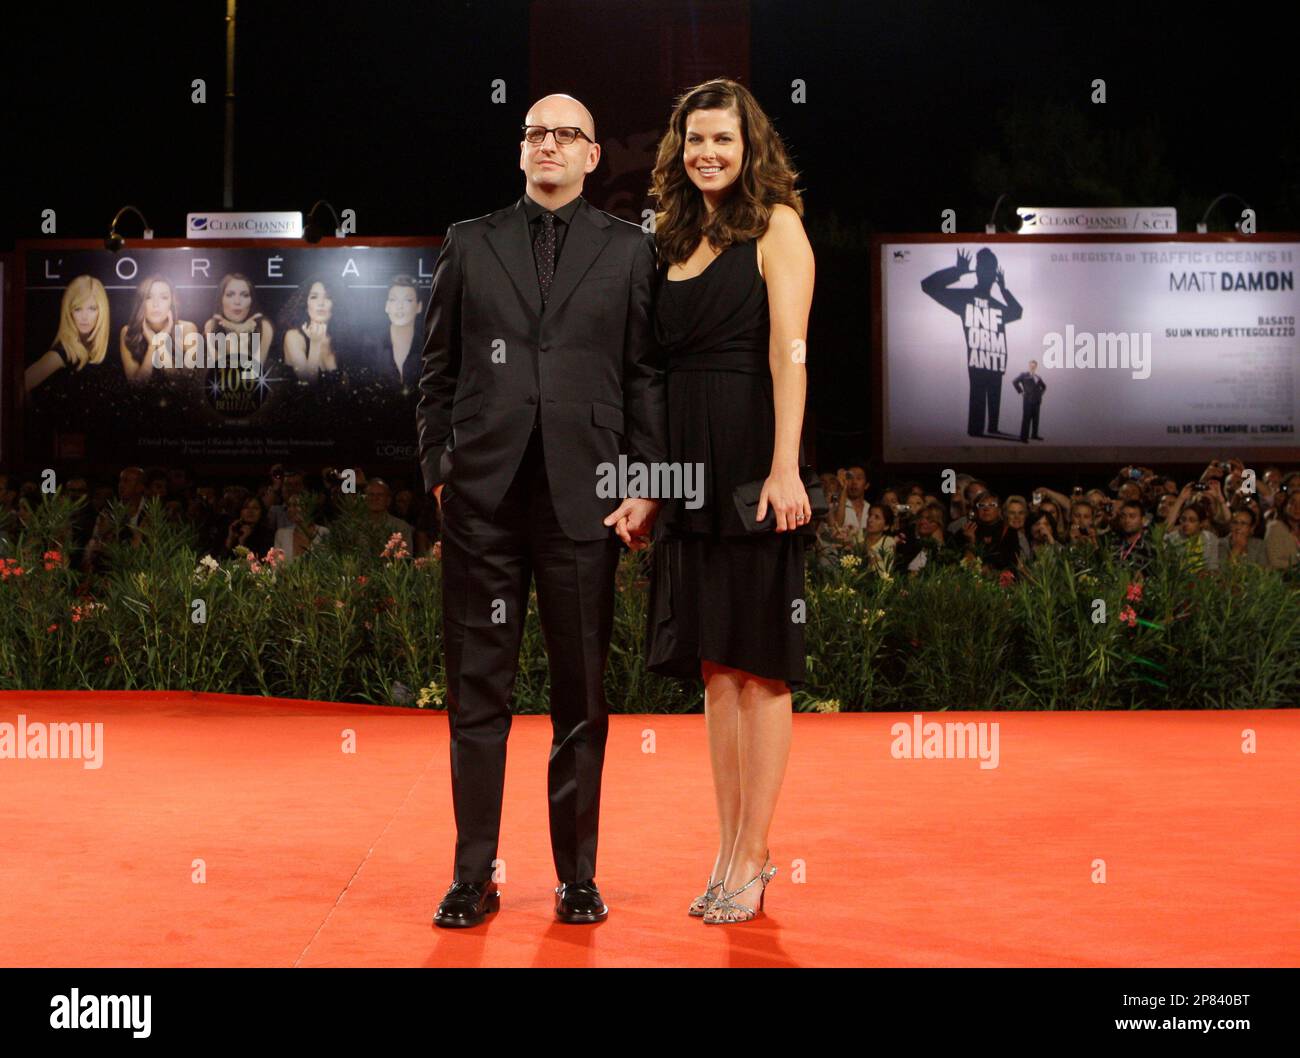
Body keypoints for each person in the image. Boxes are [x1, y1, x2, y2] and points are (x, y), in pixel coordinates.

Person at [417, 93, 668, 929]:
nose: (550, 145)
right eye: (537, 134)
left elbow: (643, 377)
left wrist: (646, 479)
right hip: (482, 500)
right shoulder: (469, 241)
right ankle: (472, 874)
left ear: (594, 156)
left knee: (581, 696)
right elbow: (436, 374)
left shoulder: (632, 251)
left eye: (567, 135)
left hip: (587, 497)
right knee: (476, 692)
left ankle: (577, 877)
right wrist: (440, 469)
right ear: (520, 150)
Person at [643, 77, 813, 925]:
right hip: (687, 472)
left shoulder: (776, 226)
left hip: (752, 461)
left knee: (761, 666)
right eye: (696, 140)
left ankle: (757, 853)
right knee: (716, 670)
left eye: (725, 140)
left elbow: (791, 353)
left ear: (751, 148)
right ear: (679, 149)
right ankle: (726, 846)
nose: (709, 153)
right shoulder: (669, 237)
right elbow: (650, 373)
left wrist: (786, 468)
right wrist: (649, 486)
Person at [1264, 487, 1300, 570]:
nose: (1297, 507)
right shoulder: (1275, 527)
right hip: (1283, 580)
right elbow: (1275, 562)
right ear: (1285, 506)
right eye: (1292, 502)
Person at [1012, 359, 1046, 441]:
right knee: (1026, 419)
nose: (1032, 367)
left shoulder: (1038, 377)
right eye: (1031, 366)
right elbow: (1014, 382)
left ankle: (1034, 435)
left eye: (1034, 366)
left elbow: (1044, 387)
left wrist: (1040, 394)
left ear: (1036, 367)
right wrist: (1021, 392)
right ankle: (1023, 437)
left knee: (1036, 419)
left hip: (1037, 401)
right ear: (1029, 366)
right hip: (1028, 400)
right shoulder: (1024, 375)